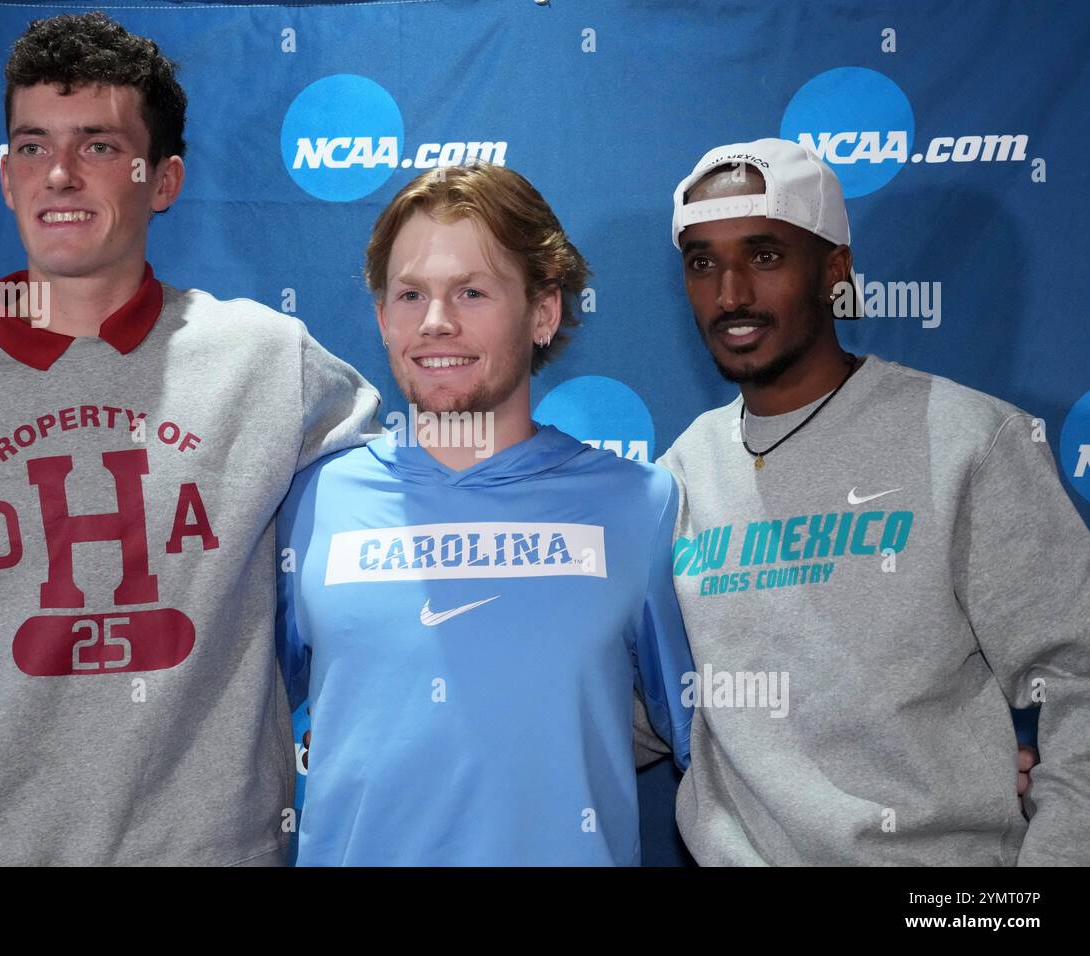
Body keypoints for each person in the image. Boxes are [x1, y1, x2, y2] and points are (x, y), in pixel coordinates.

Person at [0, 12, 378, 865]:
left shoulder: (269, 365)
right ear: (4, 175)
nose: (58, 175)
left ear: (163, 179)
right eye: (33, 146)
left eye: (99, 147)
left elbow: (405, 534)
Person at [660, 137, 1089, 864]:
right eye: (704, 263)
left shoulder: (970, 442)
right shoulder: (681, 471)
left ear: (834, 270)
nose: (730, 294)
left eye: (764, 256)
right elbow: (642, 697)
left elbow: (1077, 676)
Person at [276, 163, 694, 865]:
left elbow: (717, 753)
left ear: (543, 313)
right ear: (382, 317)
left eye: (472, 291)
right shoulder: (309, 504)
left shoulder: (641, 506)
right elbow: (237, 732)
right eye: (410, 294)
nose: (436, 322)